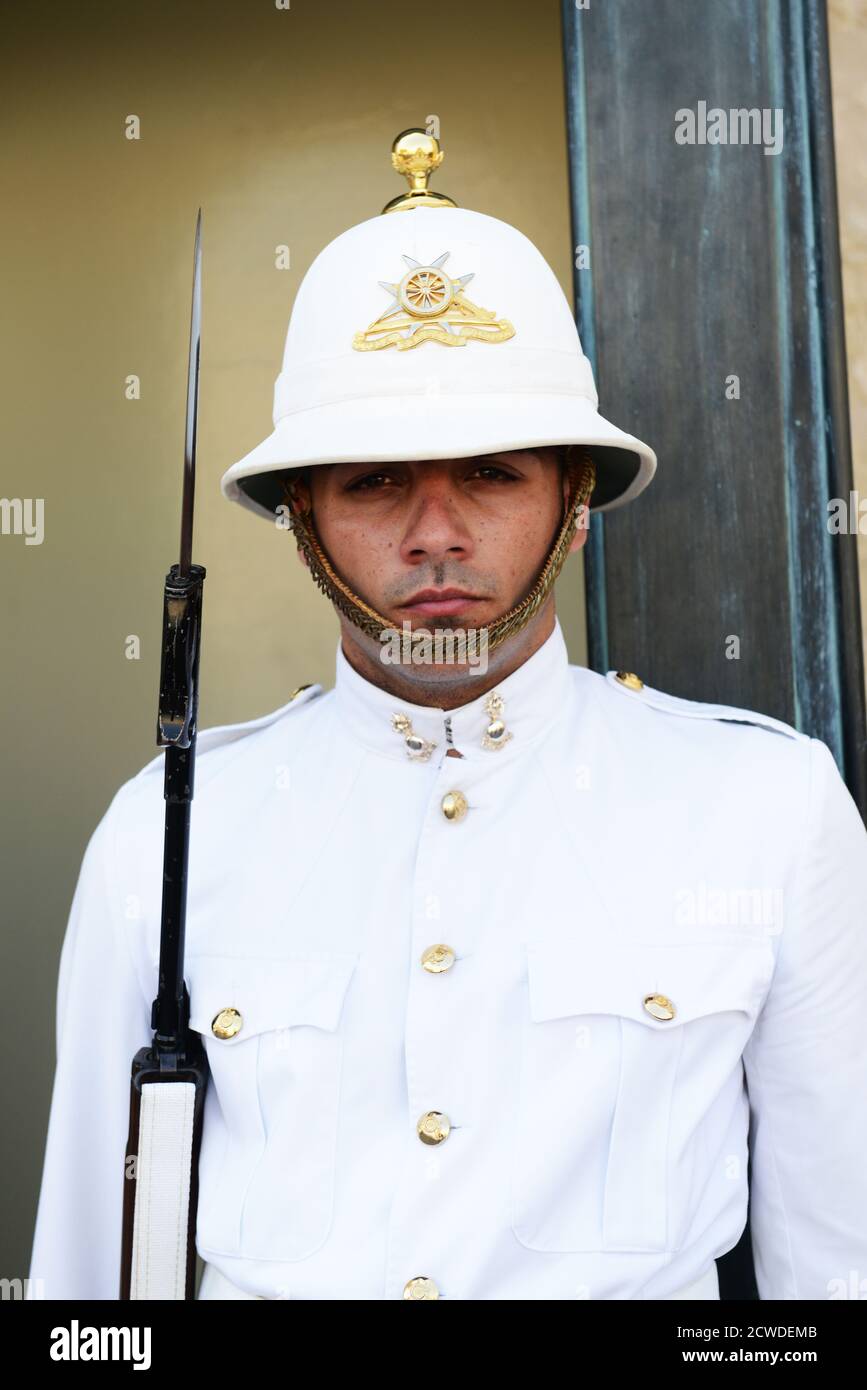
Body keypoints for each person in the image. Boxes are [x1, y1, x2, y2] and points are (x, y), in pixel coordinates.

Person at [29, 130, 867, 1301]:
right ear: (305, 520)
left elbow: (836, 1273)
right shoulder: (166, 831)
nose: (435, 530)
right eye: (375, 480)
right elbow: (91, 1278)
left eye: (492, 471)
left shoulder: (766, 811)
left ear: (576, 502)